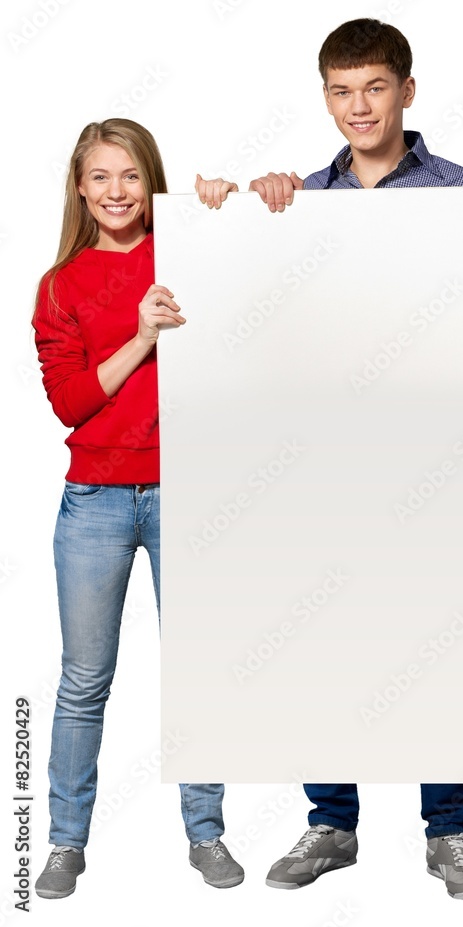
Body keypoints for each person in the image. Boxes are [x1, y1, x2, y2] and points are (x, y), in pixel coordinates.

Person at [196, 18, 463, 900]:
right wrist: (225, 214)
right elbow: (254, 309)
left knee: (436, 639)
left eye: (374, 87)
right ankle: (332, 819)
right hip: (325, 460)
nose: (358, 106)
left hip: (436, 454)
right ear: (324, 97)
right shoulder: (296, 201)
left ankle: (448, 830)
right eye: (340, 91)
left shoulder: (462, 191)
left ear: (407, 90)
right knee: (324, 637)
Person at [32, 118, 243, 899]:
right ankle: (64, 841)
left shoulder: (183, 253)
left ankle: (207, 832)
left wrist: (222, 207)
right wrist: (145, 335)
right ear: (80, 189)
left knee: (195, 671)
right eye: (101, 178)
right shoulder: (61, 285)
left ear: (149, 182)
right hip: (94, 500)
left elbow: (253, 292)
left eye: (131, 176)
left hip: (187, 487)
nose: (116, 192)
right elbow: (71, 401)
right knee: (84, 679)